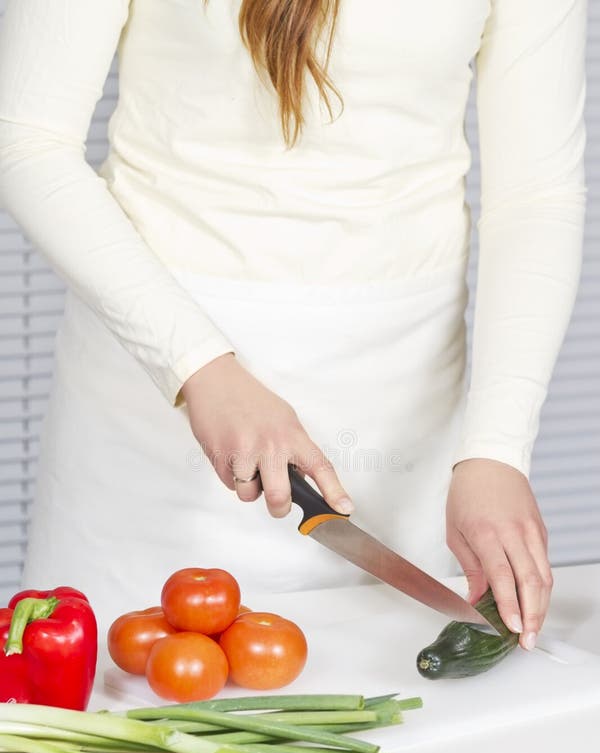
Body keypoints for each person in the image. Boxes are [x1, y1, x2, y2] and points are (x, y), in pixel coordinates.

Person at [0, 0, 586, 651]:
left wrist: (496, 449)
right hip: (151, 409)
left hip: (401, 410)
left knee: (397, 721)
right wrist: (196, 365)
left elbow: (537, 196)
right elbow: (25, 137)